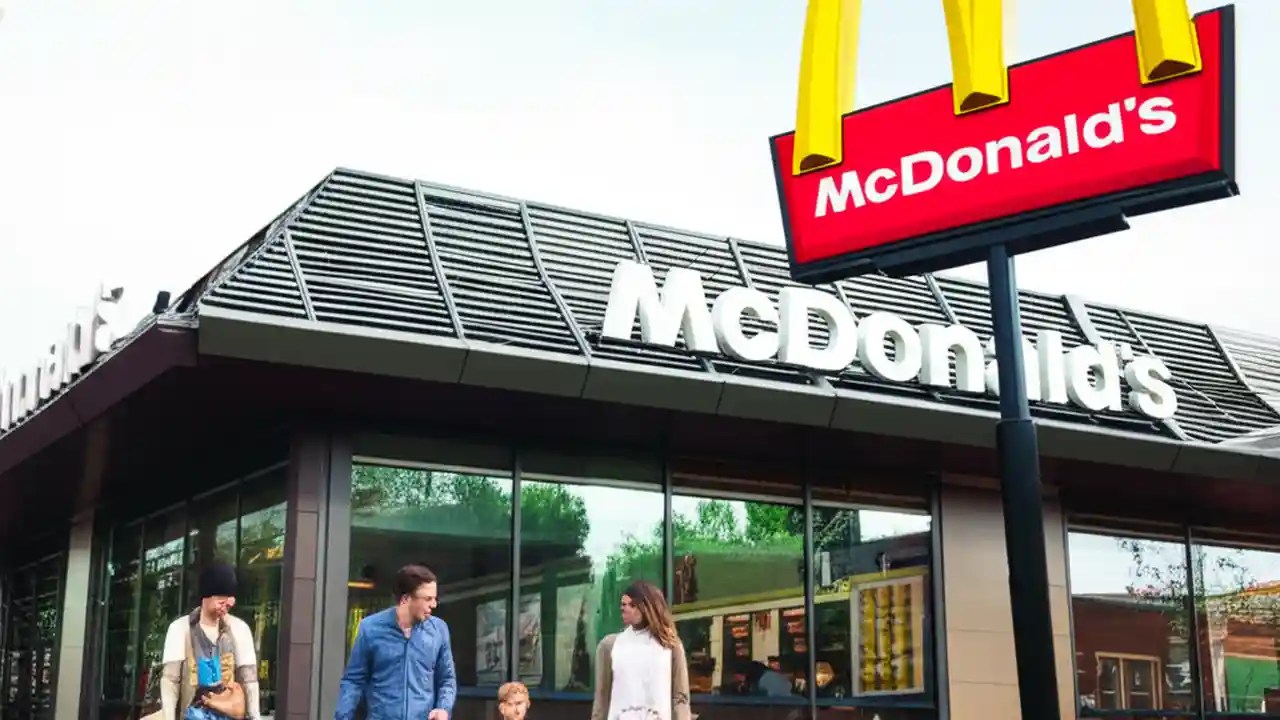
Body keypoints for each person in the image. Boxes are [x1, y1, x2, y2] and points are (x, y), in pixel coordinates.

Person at [335, 564, 457, 720]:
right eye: (427, 599)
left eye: (434, 598)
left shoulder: (438, 630)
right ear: (406, 599)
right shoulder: (371, 628)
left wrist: (443, 708)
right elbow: (353, 681)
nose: (434, 604)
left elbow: (447, 679)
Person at [158, 561, 261, 720]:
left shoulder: (239, 630)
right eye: (220, 599)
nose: (226, 605)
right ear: (205, 597)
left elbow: (249, 681)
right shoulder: (180, 629)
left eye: (229, 600)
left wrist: (255, 717)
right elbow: (170, 681)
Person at [590, 580, 692, 720]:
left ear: (648, 608)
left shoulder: (670, 645)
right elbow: (601, 699)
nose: (624, 609)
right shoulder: (609, 646)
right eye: (623, 604)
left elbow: (680, 698)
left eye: (632, 605)